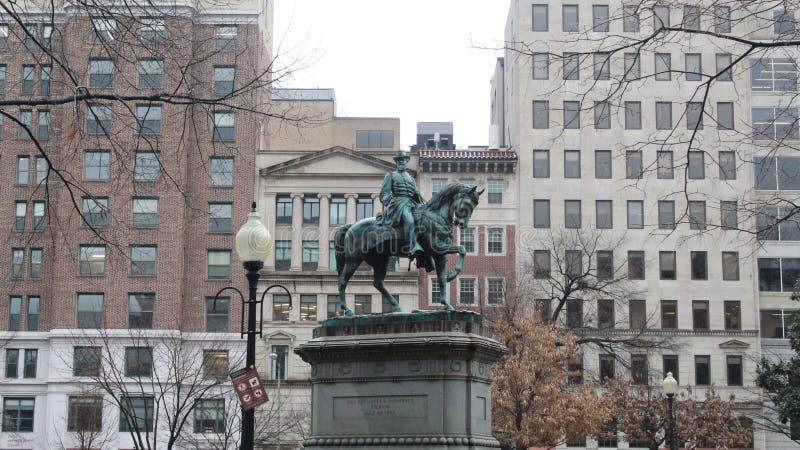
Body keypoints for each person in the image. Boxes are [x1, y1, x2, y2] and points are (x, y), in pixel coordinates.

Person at [379, 150, 425, 258]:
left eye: (403, 160)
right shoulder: (390, 175)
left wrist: (417, 195)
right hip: (398, 204)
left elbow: (415, 195)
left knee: (425, 219)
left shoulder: (411, 179)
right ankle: (411, 247)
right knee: (409, 220)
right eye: (398, 160)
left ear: (406, 161)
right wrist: (390, 200)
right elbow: (383, 194)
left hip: (412, 204)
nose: (401, 162)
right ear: (396, 162)